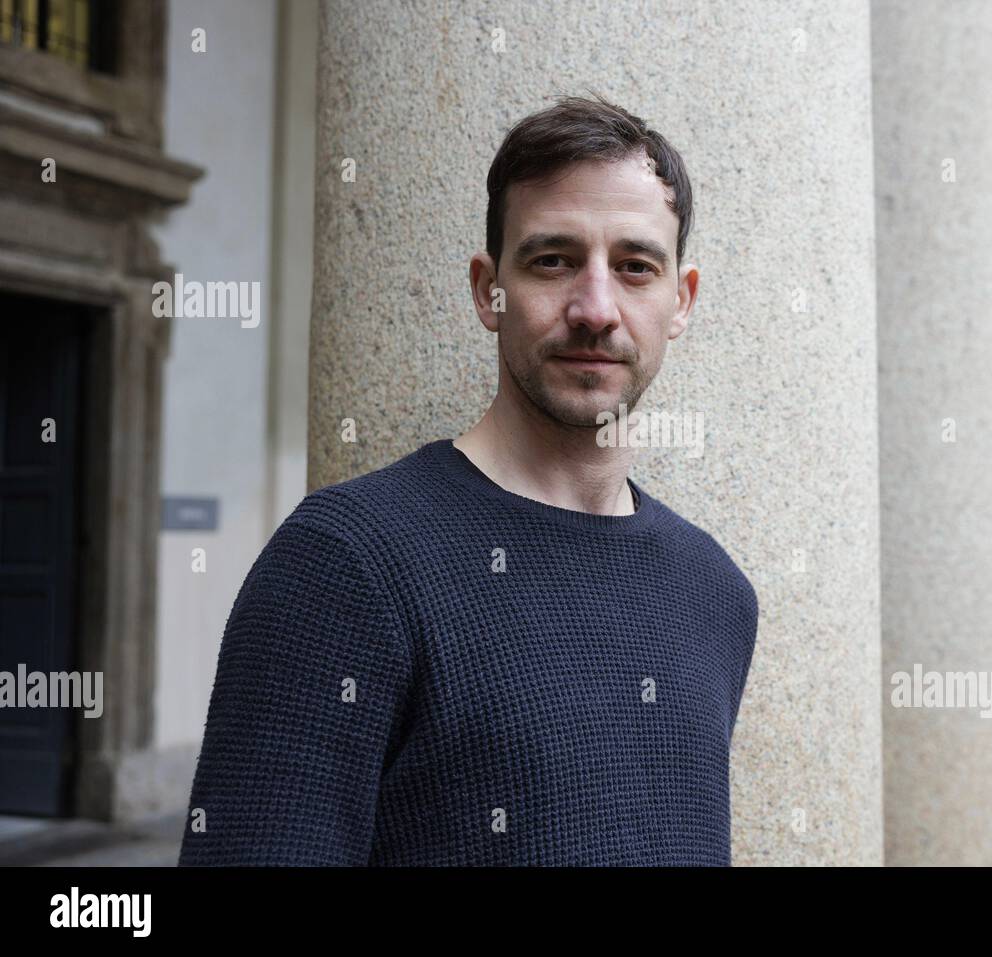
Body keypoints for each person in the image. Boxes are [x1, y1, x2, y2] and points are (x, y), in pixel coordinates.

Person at [178, 94, 758, 866]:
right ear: (489, 289)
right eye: (552, 259)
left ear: (679, 300)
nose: (595, 308)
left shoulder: (715, 590)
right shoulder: (344, 563)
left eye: (634, 267)